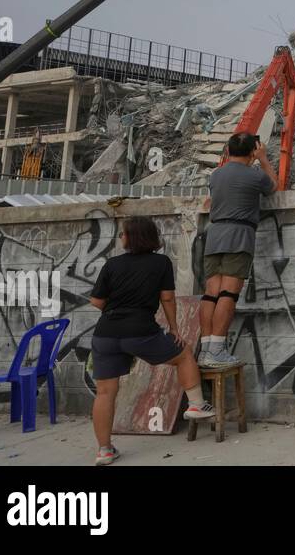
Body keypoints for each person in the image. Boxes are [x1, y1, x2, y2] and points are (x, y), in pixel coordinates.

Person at [89, 215, 214, 465]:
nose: (121, 237)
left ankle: (104, 450)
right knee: (184, 354)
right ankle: (197, 405)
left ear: (132, 237)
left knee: (104, 393)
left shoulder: (112, 264)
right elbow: (167, 298)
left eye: (123, 234)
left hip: (106, 334)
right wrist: (175, 328)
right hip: (141, 331)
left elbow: (97, 301)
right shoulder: (161, 263)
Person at [199, 132, 277, 368]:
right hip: (238, 236)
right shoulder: (253, 176)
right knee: (228, 294)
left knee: (211, 293)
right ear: (253, 150)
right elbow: (274, 187)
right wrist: (263, 159)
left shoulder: (216, 175)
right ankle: (217, 349)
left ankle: (205, 350)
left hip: (214, 236)